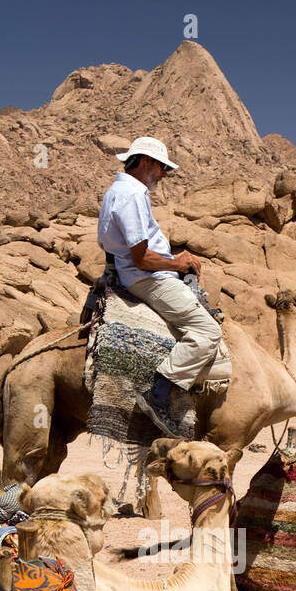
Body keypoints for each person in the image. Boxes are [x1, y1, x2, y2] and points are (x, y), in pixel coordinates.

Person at [97, 135, 228, 438]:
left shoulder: (119, 190)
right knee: (208, 332)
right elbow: (142, 258)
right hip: (146, 278)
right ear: (146, 162)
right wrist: (178, 264)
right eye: (162, 167)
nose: (165, 174)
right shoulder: (132, 195)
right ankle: (157, 396)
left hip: (138, 273)